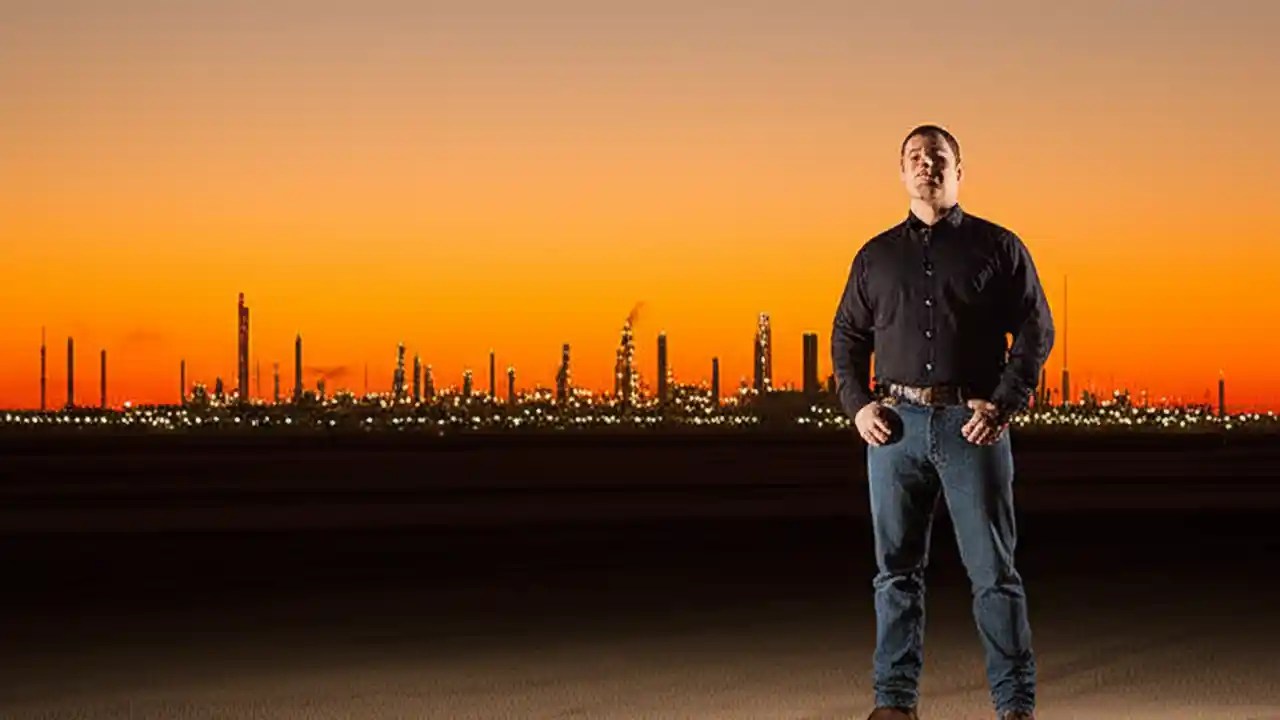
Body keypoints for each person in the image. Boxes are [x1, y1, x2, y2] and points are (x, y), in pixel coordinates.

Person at [830, 124, 1054, 720]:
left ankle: (1014, 706)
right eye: (914, 156)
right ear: (902, 172)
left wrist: (1003, 402)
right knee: (895, 574)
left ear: (959, 170)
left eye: (937, 156)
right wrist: (859, 405)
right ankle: (894, 703)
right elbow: (847, 335)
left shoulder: (997, 247)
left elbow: (1036, 328)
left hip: (971, 426)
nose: (926, 164)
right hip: (894, 430)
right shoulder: (875, 257)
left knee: (994, 574)